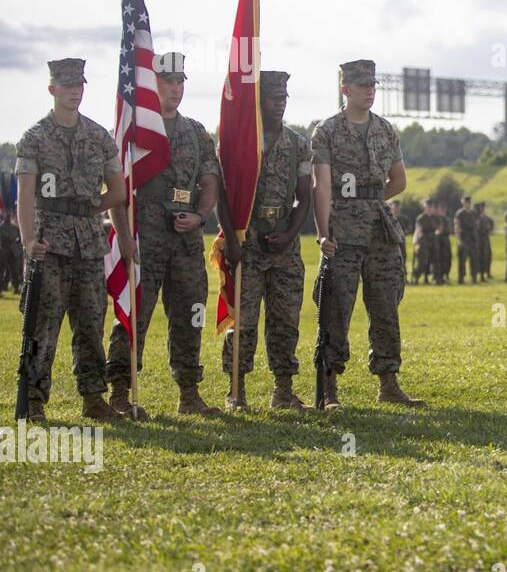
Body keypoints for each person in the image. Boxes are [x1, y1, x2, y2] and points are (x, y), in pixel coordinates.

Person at [106, 52, 223, 416]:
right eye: (168, 82)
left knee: (191, 312)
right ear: (150, 85)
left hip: (186, 239)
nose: (176, 88)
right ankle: (121, 394)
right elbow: (117, 186)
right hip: (146, 233)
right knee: (135, 313)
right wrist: (124, 235)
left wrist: (201, 215)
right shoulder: (136, 131)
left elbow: (209, 180)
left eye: (180, 82)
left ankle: (189, 394)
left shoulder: (196, 132)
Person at [15, 58, 130, 423]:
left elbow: (119, 190)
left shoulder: (98, 136)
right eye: (66, 85)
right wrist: (28, 241)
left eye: (78, 85)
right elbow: (25, 196)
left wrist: (92, 207)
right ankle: (33, 400)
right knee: (43, 324)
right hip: (48, 242)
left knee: (90, 322)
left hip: (87, 242)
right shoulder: (34, 137)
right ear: (52, 89)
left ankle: (93, 397)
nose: (73, 91)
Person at [311, 59, 422, 409]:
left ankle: (388, 382)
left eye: (372, 85)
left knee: (386, 306)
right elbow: (321, 186)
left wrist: (370, 199)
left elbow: (399, 180)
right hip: (342, 231)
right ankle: (329, 389)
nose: (369, 91)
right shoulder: (327, 131)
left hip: (379, 230)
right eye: (361, 86)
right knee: (336, 308)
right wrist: (323, 232)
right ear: (345, 89)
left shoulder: (386, 130)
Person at [217, 69, 311, 411]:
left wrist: (289, 234)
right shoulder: (239, 143)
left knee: (285, 319)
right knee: (242, 321)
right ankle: (236, 392)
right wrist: (231, 239)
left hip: (284, 244)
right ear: (259, 102)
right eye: (274, 98)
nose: (280, 105)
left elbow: (305, 198)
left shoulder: (299, 144)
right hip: (248, 241)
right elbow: (222, 197)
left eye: (284, 98)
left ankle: (283, 392)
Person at [453, 195, 478, 284]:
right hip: (464, 239)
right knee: (462, 260)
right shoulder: (460, 214)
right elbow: (457, 227)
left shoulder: (473, 214)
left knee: (474, 259)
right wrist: (459, 239)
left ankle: (474, 277)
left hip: (472, 239)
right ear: (463, 203)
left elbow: (476, 226)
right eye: (466, 203)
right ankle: (461, 278)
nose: (468, 204)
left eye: (469, 203)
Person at [413, 197, 438, 284]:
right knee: (422, 261)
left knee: (432, 261)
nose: (430, 208)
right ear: (425, 207)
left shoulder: (434, 218)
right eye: (428, 206)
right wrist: (415, 241)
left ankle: (426, 278)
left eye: (431, 206)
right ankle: (416, 278)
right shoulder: (421, 218)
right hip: (423, 242)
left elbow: (437, 229)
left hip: (433, 241)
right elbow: (418, 230)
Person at [0, 212, 20, 294]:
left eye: (9, 216)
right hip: (3, 251)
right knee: (1, 271)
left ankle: (16, 288)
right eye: (7, 216)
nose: (8, 218)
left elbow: (20, 237)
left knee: (14, 271)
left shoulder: (15, 228)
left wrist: (16, 243)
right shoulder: (1, 227)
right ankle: (1, 288)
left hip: (13, 251)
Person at [475, 203, 494, 279]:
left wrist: (489, 229)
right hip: (479, 239)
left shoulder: (486, 218)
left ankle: (487, 272)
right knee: (480, 256)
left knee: (488, 255)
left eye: (483, 208)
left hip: (486, 239)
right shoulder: (476, 218)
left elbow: (491, 225)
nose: (482, 209)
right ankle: (480, 273)